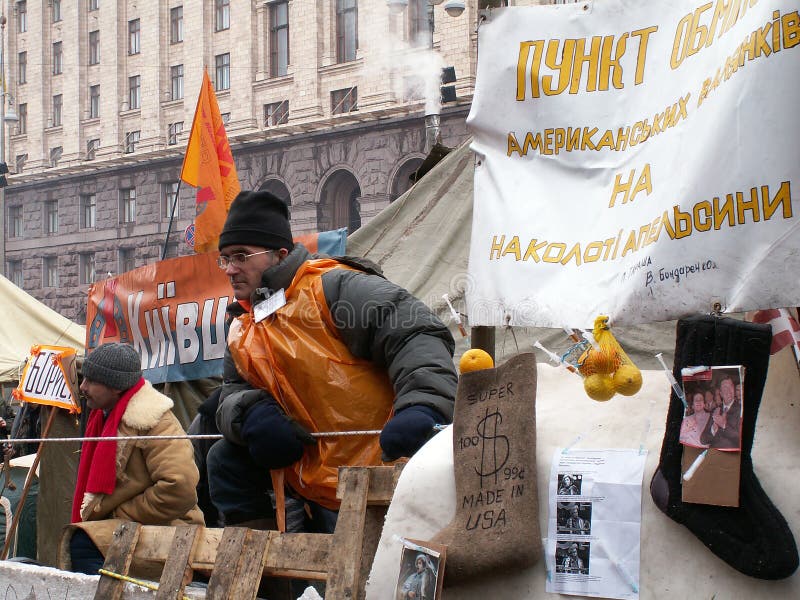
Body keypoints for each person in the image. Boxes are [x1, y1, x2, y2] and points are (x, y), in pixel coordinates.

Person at [208, 190, 457, 533]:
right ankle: (264, 581)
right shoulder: (242, 327)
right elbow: (231, 392)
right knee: (224, 459)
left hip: (384, 463)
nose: (230, 269)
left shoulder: (333, 286)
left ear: (279, 255)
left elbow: (414, 332)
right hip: (310, 476)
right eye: (224, 259)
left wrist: (423, 406)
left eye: (240, 256)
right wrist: (250, 413)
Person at [68, 343, 204, 575]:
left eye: (91, 381)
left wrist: (117, 515)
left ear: (116, 387)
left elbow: (178, 489)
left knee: (83, 544)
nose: (83, 387)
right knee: (78, 538)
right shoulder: (103, 418)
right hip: (137, 525)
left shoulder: (156, 422)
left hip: (172, 528)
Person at [700, 375, 741, 449]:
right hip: (713, 453)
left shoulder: (741, 409)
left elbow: (741, 439)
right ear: (721, 393)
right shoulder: (715, 411)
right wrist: (713, 429)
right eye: (725, 387)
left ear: (734, 390)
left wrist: (724, 425)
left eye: (730, 387)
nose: (728, 390)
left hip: (730, 455)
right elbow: (703, 440)